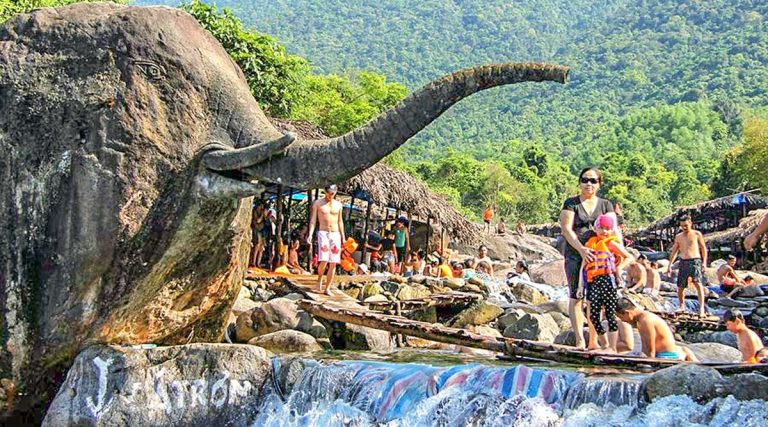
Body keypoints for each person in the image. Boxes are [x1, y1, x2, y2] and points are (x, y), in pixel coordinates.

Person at [559, 167, 615, 349]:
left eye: (593, 181)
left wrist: (618, 256)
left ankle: (593, 340)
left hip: (599, 257)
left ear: (599, 184)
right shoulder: (571, 203)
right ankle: (579, 339)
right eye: (585, 180)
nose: (588, 184)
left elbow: (614, 230)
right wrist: (582, 249)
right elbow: (567, 229)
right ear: (580, 182)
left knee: (595, 300)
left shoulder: (605, 205)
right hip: (576, 254)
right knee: (576, 296)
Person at [577, 214, 634, 353]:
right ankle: (600, 344)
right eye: (601, 228)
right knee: (593, 316)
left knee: (609, 314)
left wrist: (618, 269)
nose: (604, 232)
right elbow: (583, 266)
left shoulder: (611, 244)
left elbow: (629, 257)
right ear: (596, 228)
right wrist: (580, 286)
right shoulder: (589, 245)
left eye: (608, 229)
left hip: (608, 280)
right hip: (593, 281)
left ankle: (612, 347)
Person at [615, 297, 699, 361]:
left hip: (666, 356)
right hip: (670, 352)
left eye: (621, 317)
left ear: (627, 313)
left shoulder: (646, 321)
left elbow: (650, 350)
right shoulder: (642, 319)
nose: (623, 320)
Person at [307, 184, 345, 295]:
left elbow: (340, 221)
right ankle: (319, 279)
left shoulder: (338, 205)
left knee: (333, 262)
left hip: (335, 233)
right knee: (323, 259)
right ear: (325, 192)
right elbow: (313, 220)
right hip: (323, 232)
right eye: (329, 193)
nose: (330, 196)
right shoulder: (318, 203)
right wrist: (310, 234)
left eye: (333, 194)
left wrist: (343, 236)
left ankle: (327, 288)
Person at [668, 215, 708, 317]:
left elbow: (703, 249)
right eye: (682, 226)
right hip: (683, 261)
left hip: (695, 260)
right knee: (680, 286)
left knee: (698, 284)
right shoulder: (679, 237)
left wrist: (704, 263)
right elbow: (674, 252)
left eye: (686, 225)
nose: (684, 228)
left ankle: (702, 308)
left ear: (690, 224)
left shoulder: (696, 234)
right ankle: (682, 306)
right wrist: (670, 265)